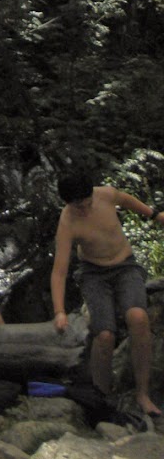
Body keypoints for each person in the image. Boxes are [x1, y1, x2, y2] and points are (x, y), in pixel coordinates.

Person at [51, 166, 164, 419]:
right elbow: (59, 271)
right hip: (94, 274)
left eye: (85, 202)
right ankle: (101, 395)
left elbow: (128, 200)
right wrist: (59, 311)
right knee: (104, 335)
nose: (83, 208)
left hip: (125, 266)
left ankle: (142, 394)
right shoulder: (67, 222)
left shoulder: (106, 195)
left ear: (91, 193)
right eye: (76, 205)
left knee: (138, 318)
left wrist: (155, 214)